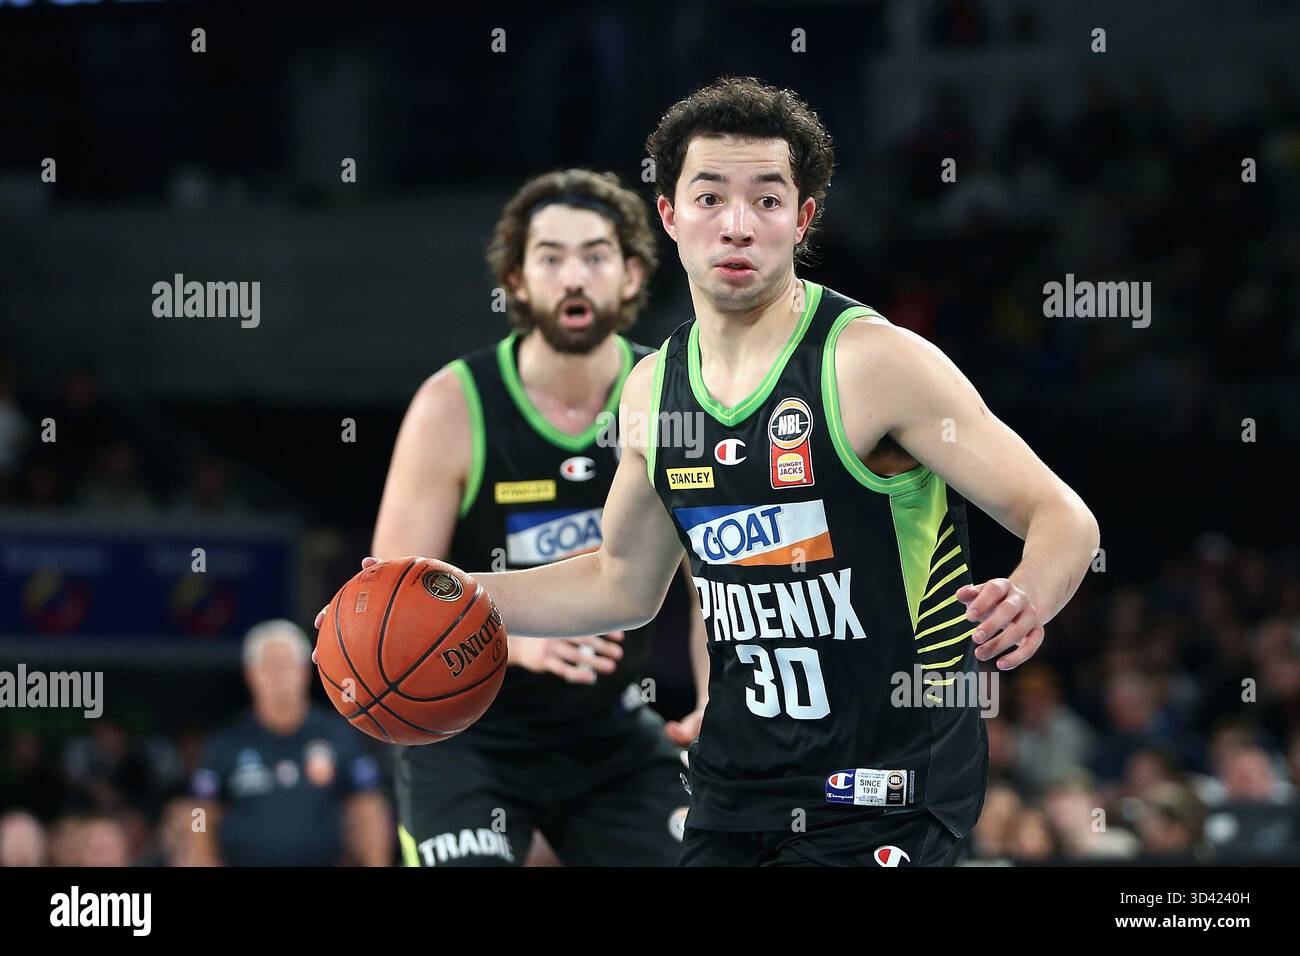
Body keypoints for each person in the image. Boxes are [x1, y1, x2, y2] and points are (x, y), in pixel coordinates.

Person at [322, 77, 1098, 867]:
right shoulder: (654, 390)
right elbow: (620, 584)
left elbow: (1060, 515)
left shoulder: (874, 363)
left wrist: (1031, 590)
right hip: (736, 783)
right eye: (708, 197)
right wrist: (451, 599)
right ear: (668, 215)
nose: (736, 225)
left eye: (767, 201)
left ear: (803, 218)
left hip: (881, 785)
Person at [370, 168, 706, 867]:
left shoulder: (673, 398)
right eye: (550, 257)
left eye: (595, 255)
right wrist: (518, 638)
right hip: (467, 732)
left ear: (633, 273)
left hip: (610, 730)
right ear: (517, 282)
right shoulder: (452, 405)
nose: (573, 276)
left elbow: (720, 577)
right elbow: (390, 597)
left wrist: (716, 699)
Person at [191, 620, 390, 866]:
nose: (279, 676)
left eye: (286, 665)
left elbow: (367, 807)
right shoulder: (227, 742)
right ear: (251, 675)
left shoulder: (338, 734)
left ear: (304, 671)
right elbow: (200, 814)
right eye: (269, 666)